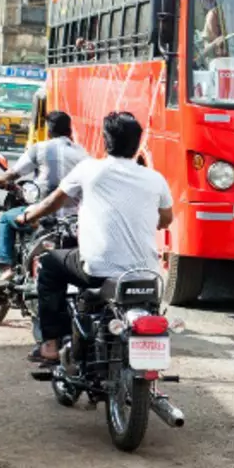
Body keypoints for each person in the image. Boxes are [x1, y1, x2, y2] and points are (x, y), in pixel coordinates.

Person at [20, 112, 173, 364]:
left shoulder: (90, 169)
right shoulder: (155, 179)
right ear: (137, 142)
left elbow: (52, 202)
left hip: (98, 269)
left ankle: (50, 345)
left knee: (49, 265)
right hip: (147, 273)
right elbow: (166, 219)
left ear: (105, 140)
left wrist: (28, 216)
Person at [0, 110, 88, 292]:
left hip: (40, 214)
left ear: (49, 131)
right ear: (69, 131)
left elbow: (14, 173)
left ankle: (6, 269)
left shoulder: (39, 149)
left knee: (6, 219)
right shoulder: (82, 154)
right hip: (72, 221)